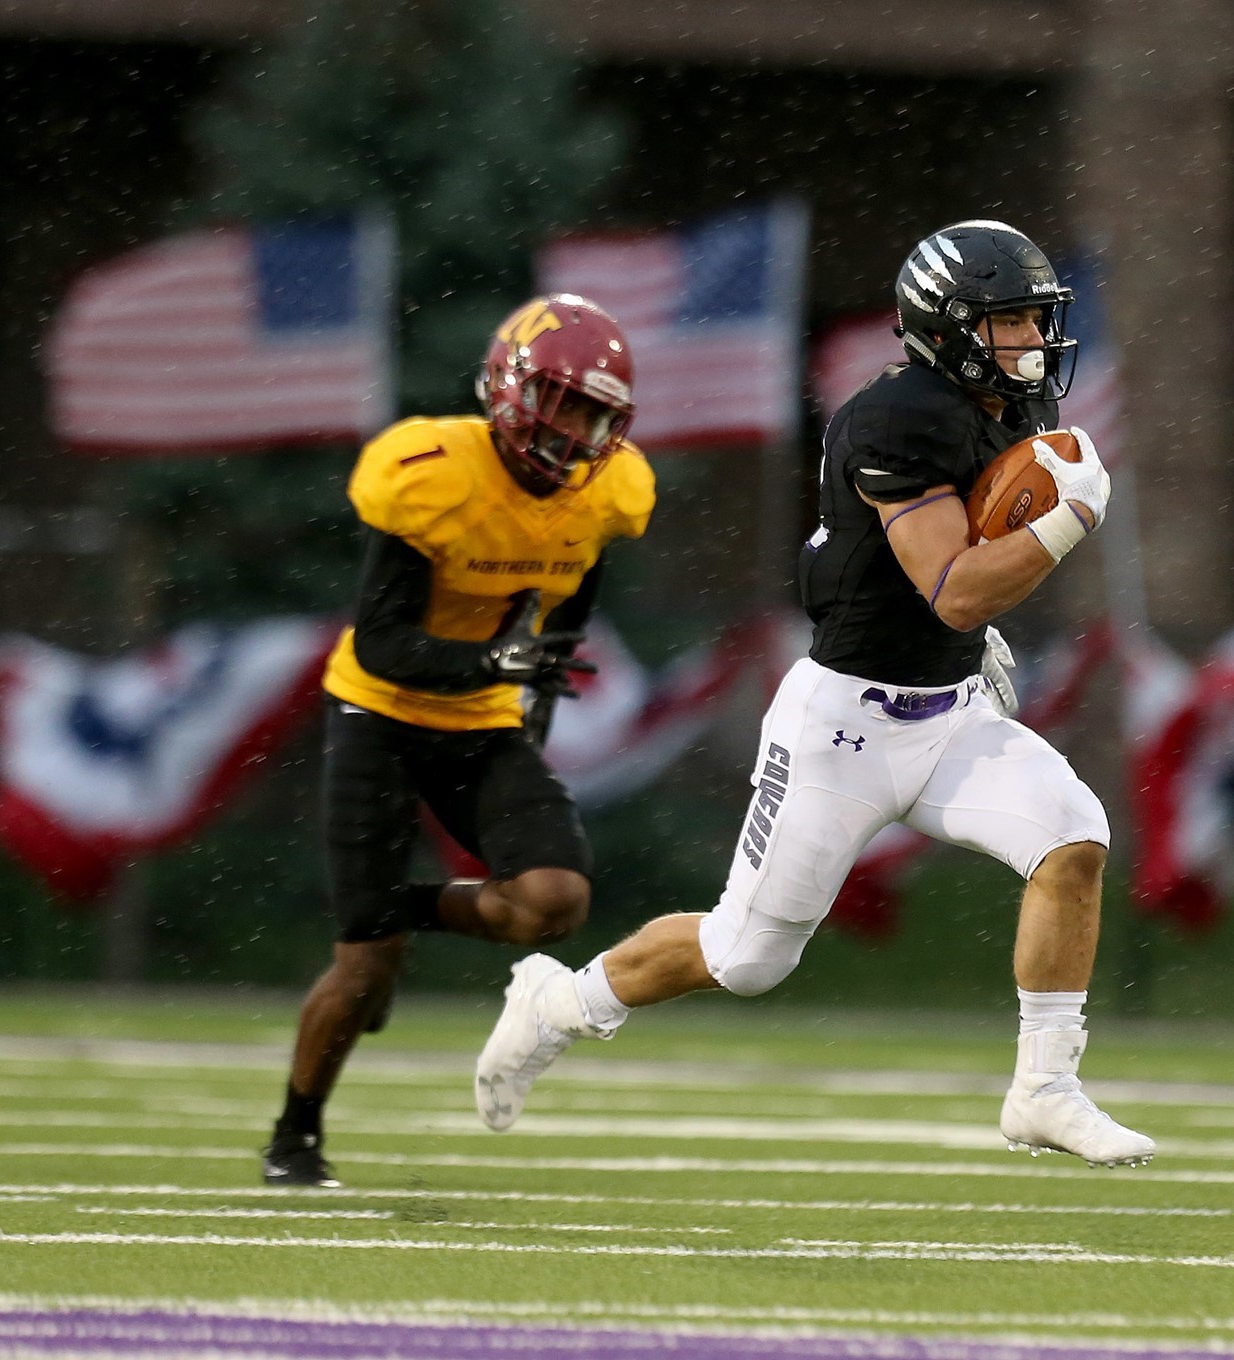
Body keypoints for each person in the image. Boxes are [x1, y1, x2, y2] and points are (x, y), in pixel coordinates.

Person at [473, 221, 1154, 1168]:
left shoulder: (1000, 408)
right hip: (848, 726)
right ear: (949, 325)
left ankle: (1044, 1089)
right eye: (1010, 323)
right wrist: (1067, 522)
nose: (1034, 342)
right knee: (746, 956)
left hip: (949, 711)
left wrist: (975, 635)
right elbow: (950, 581)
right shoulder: (894, 419)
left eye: (1038, 321)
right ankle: (556, 1003)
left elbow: (948, 596)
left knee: (1073, 839)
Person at [262, 294, 655, 1187]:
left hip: (478, 722)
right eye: (563, 403)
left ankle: (388, 906)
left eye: (597, 415)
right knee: (363, 976)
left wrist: (530, 684)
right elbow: (382, 643)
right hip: (380, 713)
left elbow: (568, 606)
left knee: (556, 898)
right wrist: (495, 660)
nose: (576, 433)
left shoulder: (609, 492)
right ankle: (295, 1135)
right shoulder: (432, 470)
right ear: (513, 390)